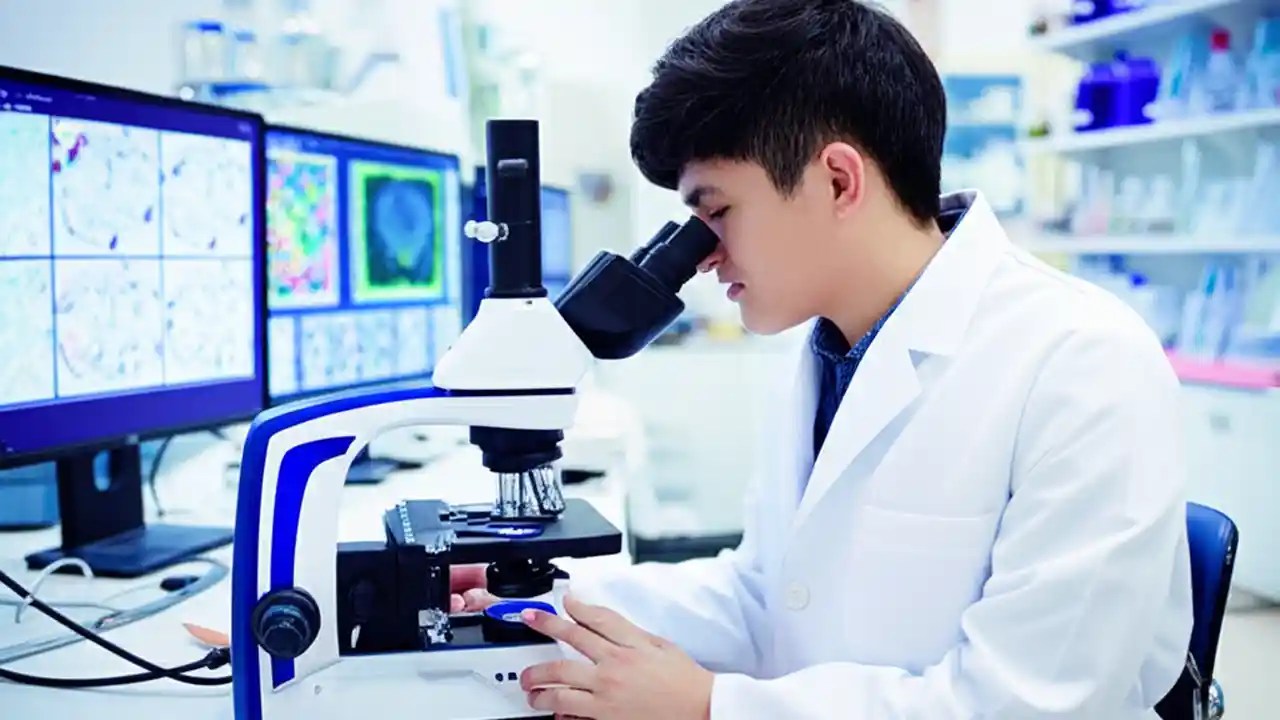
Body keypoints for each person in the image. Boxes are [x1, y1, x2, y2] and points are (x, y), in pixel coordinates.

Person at [454, 1, 1194, 717]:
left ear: (838, 180)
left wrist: (712, 708)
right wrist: (543, 605)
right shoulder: (831, 351)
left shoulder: (1081, 363)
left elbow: (1025, 704)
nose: (704, 257)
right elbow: (767, 596)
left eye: (716, 211)